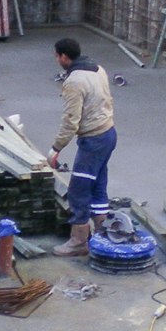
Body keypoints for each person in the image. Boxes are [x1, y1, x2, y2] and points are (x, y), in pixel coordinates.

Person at [47, 37, 118, 257]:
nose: (57, 59)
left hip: (93, 139)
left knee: (78, 190)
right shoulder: (98, 69)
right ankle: (103, 233)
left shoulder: (74, 82)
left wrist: (56, 148)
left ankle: (79, 241)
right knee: (98, 185)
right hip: (108, 134)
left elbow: (71, 120)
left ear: (64, 57)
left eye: (57, 56)